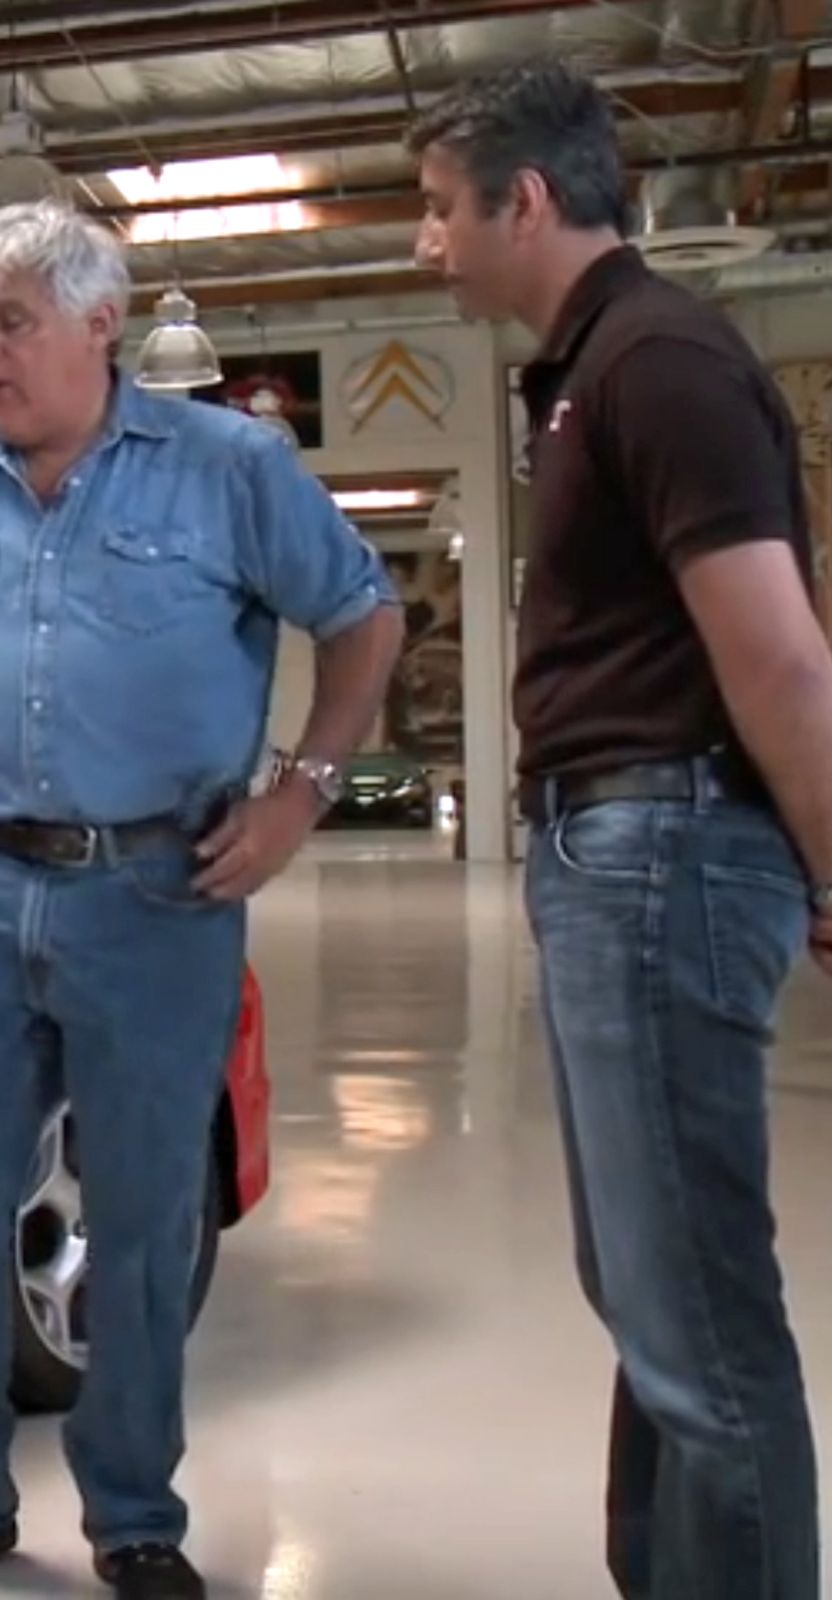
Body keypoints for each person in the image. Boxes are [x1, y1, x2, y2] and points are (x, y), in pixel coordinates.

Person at [0, 199, 403, 1600]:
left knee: (142, 1228)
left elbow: (364, 613)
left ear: (103, 324)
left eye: (11, 321)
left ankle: (135, 1518)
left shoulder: (228, 469)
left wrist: (302, 791)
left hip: (157, 894)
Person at [407, 61, 827, 1600]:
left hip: (664, 852)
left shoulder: (660, 364)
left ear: (527, 200)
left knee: (699, 1314)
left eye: (442, 210)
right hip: (621, 857)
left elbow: (778, 655)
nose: (423, 244)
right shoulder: (601, 365)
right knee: (645, 1290)